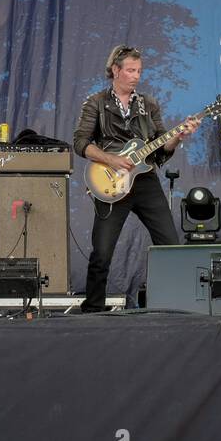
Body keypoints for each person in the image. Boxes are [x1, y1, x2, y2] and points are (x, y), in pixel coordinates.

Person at [73, 45, 199, 312]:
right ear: (115, 70)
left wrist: (178, 137)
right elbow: (80, 143)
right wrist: (112, 159)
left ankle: (177, 303)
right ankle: (93, 307)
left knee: (170, 244)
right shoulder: (95, 102)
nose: (136, 76)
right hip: (112, 183)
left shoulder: (149, 104)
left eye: (139, 71)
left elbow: (162, 147)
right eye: (130, 70)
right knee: (102, 251)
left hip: (145, 181)